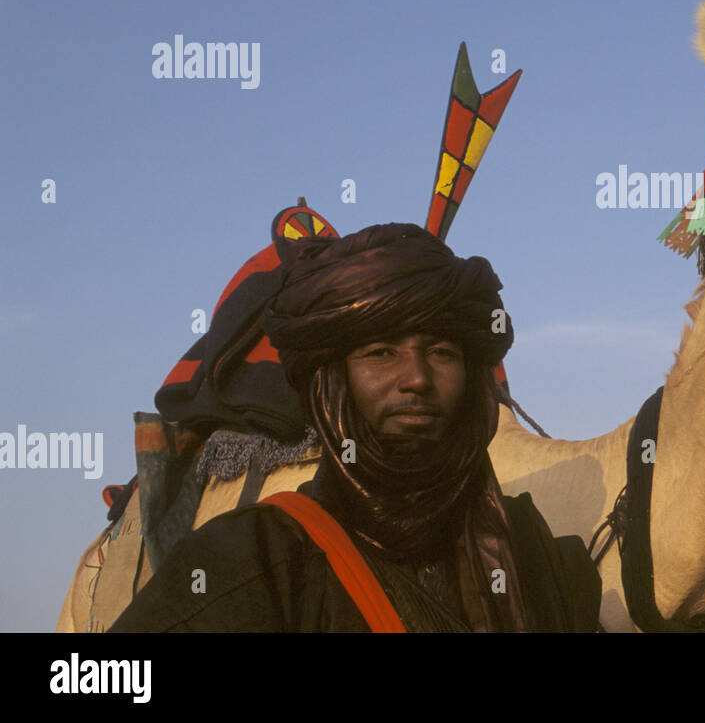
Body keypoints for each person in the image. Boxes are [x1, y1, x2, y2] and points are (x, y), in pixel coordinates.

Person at [110, 222, 600, 632]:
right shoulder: (253, 562)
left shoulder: (538, 559)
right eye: (381, 353)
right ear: (331, 383)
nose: (417, 379)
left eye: (442, 352)